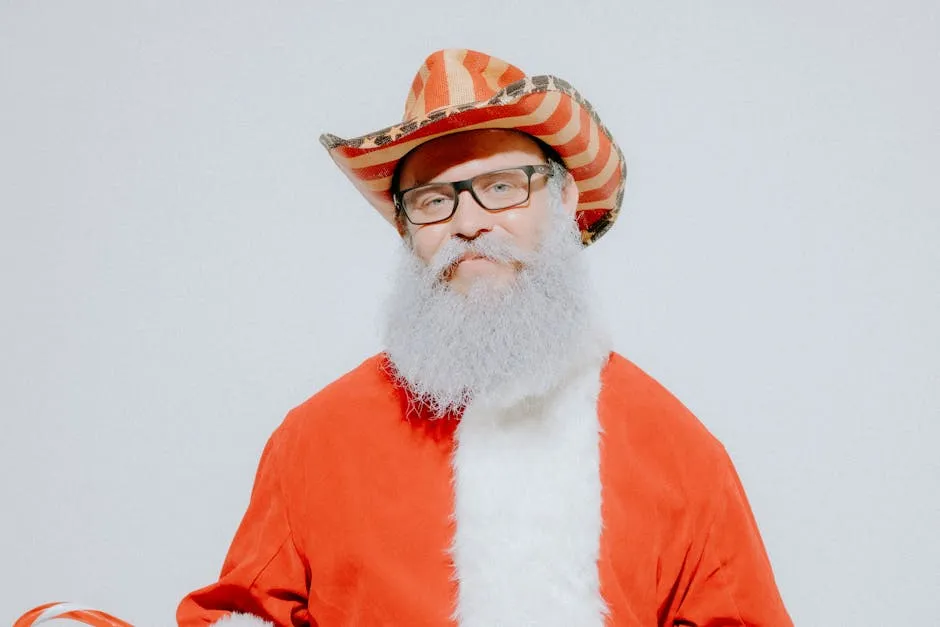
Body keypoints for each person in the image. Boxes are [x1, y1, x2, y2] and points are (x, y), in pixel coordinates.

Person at [175, 49, 793, 627]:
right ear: (406, 231)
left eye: (501, 187)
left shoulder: (681, 455)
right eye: (434, 199)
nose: (469, 223)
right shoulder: (310, 444)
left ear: (563, 200)